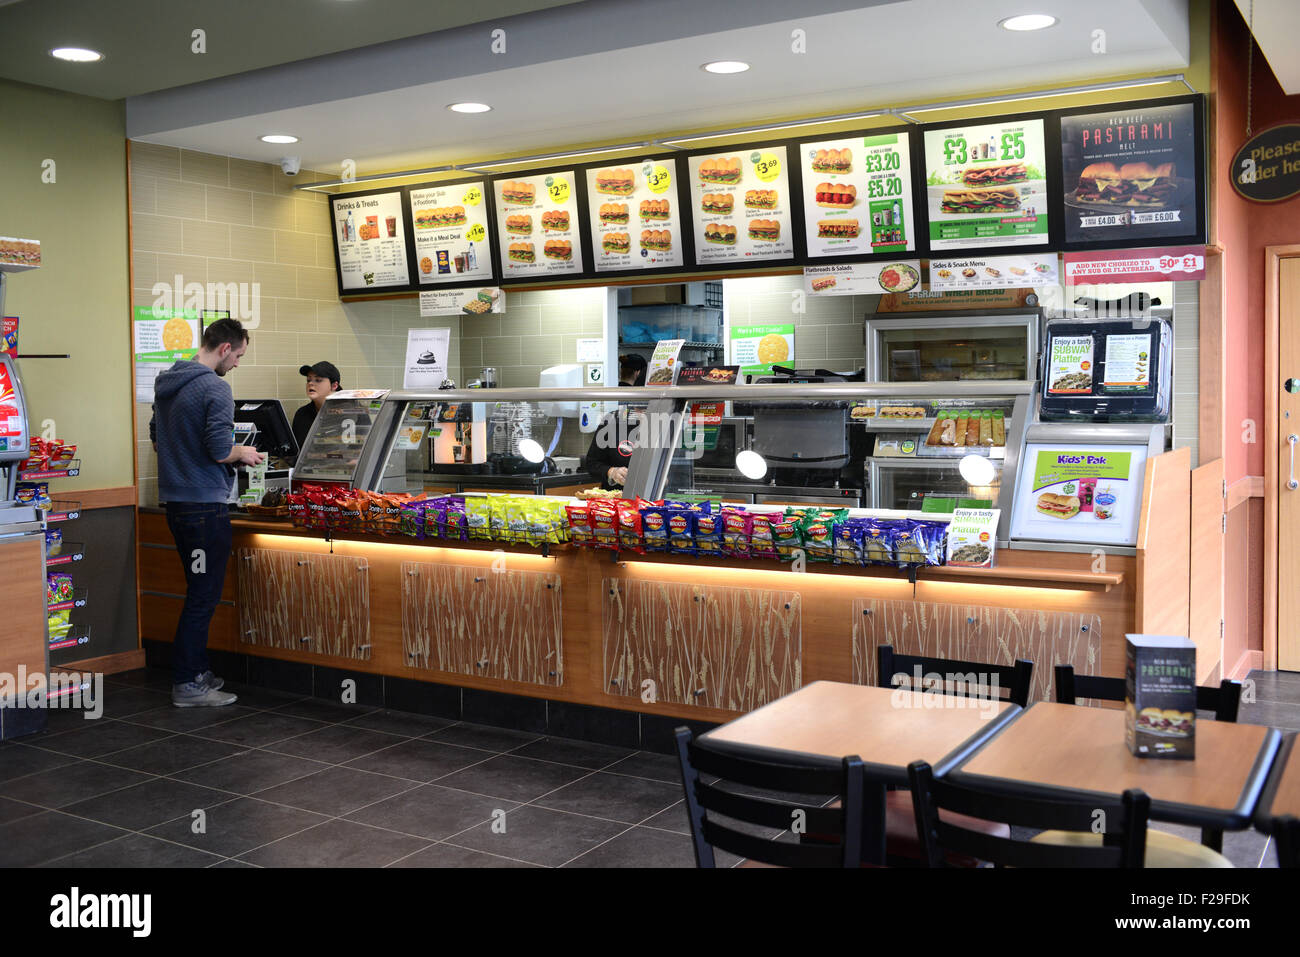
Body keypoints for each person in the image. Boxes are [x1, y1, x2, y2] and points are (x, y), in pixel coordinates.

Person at [150, 318, 265, 707]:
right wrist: (244, 453)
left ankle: (197, 671)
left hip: (176, 505)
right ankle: (187, 683)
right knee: (203, 596)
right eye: (238, 356)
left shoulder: (167, 383)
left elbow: (156, 436)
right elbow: (219, 449)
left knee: (198, 592)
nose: (236, 365)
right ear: (224, 348)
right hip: (204, 508)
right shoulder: (216, 389)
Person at [585, 354, 648, 490]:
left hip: (654, 500)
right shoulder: (613, 421)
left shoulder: (665, 424)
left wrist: (664, 478)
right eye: (638, 407)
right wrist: (612, 472)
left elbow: (680, 471)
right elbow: (592, 463)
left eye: (646, 408)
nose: (640, 412)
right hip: (615, 500)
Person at [293, 361, 342, 452]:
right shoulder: (302, 413)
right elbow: (297, 451)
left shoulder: (352, 410)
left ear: (334, 385)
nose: (310, 383)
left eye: (318, 380)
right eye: (308, 380)